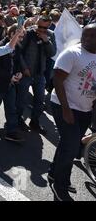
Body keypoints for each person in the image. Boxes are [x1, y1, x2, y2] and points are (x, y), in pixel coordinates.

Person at [48, 24, 96, 201]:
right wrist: (66, 110)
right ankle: (60, 185)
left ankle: (53, 173)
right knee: (71, 147)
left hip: (85, 108)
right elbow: (58, 81)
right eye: (86, 35)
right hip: (64, 106)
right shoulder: (72, 54)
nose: (87, 39)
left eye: (92, 36)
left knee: (68, 143)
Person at [16, 15, 57, 135]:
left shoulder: (50, 35)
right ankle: (18, 120)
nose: (41, 29)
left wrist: (46, 40)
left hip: (40, 73)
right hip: (26, 73)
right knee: (21, 99)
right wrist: (24, 68)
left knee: (40, 100)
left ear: (49, 26)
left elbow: (52, 53)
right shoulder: (28, 33)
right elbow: (19, 51)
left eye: (45, 28)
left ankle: (34, 122)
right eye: (40, 26)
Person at [0, 25, 25, 141]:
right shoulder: (0, 46)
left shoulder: (18, 47)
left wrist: (19, 73)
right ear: (11, 34)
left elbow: (17, 64)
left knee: (11, 108)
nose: (21, 39)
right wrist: (9, 77)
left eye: (22, 37)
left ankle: (11, 131)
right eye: (19, 36)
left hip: (10, 85)